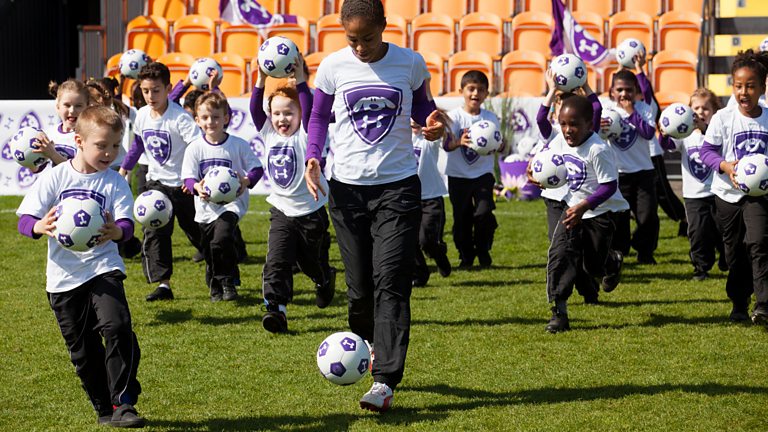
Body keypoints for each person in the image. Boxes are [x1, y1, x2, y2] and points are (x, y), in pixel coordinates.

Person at [304, 0, 445, 412]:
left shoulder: (411, 62)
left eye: (367, 38)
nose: (361, 47)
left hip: (398, 188)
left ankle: (384, 380)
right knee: (360, 289)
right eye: (353, 39)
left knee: (392, 283)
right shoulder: (332, 67)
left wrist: (432, 124)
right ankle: (366, 343)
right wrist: (314, 156)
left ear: (384, 27)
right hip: (346, 192)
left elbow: (423, 108)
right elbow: (317, 117)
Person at [16, 106, 144, 427]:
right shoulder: (56, 176)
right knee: (84, 354)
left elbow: (127, 223)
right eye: (102, 145)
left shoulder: (114, 182)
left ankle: (123, 403)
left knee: (117, 326)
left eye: (115, 146)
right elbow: (25, 218)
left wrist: (119, 231)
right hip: (62, 279)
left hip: (103, 267)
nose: (109, 153)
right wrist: (38, 226)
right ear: (79, 141)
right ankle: (104, 408)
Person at [250, 56, 336, 333]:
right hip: (282, 211)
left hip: (311, 211)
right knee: (277, 260)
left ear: (300, 115)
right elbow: (255, 108)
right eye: (276, 113)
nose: (281, 119)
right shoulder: (268, 133)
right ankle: (276, 309)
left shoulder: (305, 134)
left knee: (311, 263)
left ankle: (324, 279)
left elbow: (310, 107)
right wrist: (261, 79)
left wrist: (301, 80)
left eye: (288, 112)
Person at [119, 61, 205, 302]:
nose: (150, 96)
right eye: (145, 91)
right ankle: (163, 285)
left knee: (197, 231)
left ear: (168, 88)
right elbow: (138, 144)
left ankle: (220, 272)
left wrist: (194, 179)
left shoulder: (180, 119)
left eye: (156, 90)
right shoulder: (142, 114)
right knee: (155, 231)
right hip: (156, 184)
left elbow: (198, 148)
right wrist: (125, 168)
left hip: (184, 186)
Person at [544, 96, 629, 333]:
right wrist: (537, 174)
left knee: (593, 267)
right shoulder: (560, 141)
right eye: (562, 123)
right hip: (571, 209)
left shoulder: (598, 149)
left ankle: (612, 262)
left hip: (599, 213)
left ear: (589, 124)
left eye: (574, 124)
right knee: (560, 254)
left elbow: (609, 186)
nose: (567, 130)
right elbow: (549, 163)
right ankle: (559, 312)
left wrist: (585, 206)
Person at [699, 49, 768, 324]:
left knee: (760, 243)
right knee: (734, 252)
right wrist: (727, 167)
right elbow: (707, 152)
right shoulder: (723, 118)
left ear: (763, 87)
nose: (744, 92)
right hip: (727, 195)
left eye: (750, 86)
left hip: (759, 195)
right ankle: (739, 301)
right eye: (738, 86)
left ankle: (763, 305)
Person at [529, 69, 604, 303]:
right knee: (561, 245)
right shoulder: (552, 133)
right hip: (554, 198)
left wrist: (587, 85)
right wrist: (552, 89)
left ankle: (590, 286)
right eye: (558, 103)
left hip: (578, 199)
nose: (561, 107)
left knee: (580, 249)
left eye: (566, 102)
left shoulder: (584, 132)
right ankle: (581, 293)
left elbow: (597, 109)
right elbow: (541, 118)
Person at [181, 92, 262, 302]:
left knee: (222, 238)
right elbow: (188, 178)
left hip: (231, 206)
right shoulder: (194, 148)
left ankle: (227, 282)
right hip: (205, 209)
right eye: (205, 118)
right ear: (197, 120)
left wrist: (245, 181)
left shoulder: (238, 145)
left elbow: (256, 169)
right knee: (210, 249)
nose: (211, 122)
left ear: (226, 118)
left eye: (216, 117)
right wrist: (196, 187)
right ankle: (215, 281)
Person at [659, 88, 726, 281]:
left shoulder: (717, 132)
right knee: (698, 233)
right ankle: (701, 267)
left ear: (714, 111)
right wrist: (664, 133)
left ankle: (726, 258)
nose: (700, 112)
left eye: (706, 108)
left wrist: (705, 128)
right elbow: (667, 146)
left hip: (717, 191)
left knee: (723, 230)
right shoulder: (684, 135)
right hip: (693, 195)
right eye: (696, 108)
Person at [602, 66, 660, 264]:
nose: (624, 94)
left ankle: (645, 252)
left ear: (636, 91)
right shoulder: (606, 112)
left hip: (644, 171)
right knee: (620, 217)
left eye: (628, 89)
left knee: (648, 217)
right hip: (618, 174)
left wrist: (631, 112)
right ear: (611, 92)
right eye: (619, 90)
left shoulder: (643, 109)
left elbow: (648, 133)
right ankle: (619, 252)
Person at [443, 70, 500, 268]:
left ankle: (483, 249)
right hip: (458, 176)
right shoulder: (454, 117)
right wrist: (459, 141)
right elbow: (446, 145)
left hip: (483, 175)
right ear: (462, 91)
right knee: (462, 219)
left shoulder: (491, 118)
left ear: (486, 94)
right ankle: (466, 255)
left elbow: (501, 144)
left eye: (481, 90)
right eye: (471, 89)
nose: (475, 94)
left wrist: (498, 145)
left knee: (483, 213)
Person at [411, 115, 452, 286]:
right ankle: (420, 274)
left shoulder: (429, 137)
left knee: (425, 240)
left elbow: (437, 127)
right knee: (408, 240)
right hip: (408, 198)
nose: (414, 120)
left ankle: (439, 253)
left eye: (417, 115)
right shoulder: (399, 138)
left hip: (431, 198)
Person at [32, 79, 89, 171]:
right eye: (67, 105)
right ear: (58, 107)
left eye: (78, 106)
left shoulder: (88, 136)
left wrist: (52, 153)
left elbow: (78, 170)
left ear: (87, 107)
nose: (72, 111)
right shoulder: (50, 133)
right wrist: (28, 158)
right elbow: (38, 168)